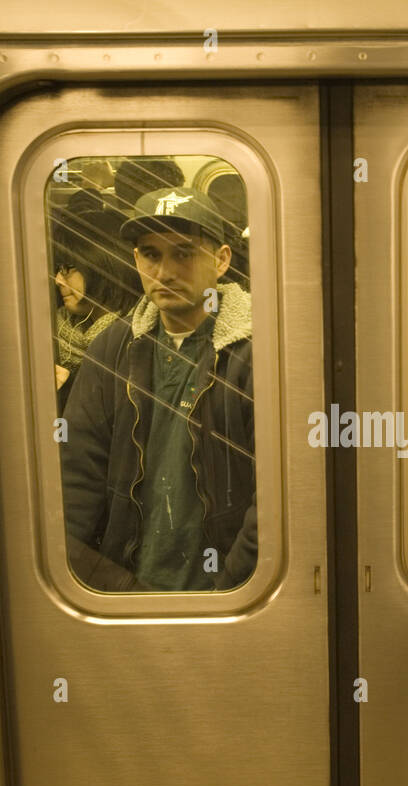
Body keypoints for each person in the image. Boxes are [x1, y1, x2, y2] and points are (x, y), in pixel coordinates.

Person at [60, 187, 256, 592]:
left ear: (221, 260)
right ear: (135, 259)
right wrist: (99, 588)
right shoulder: (114, 349)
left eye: (183, 253)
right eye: (151, 254)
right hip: (127, 588)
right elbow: (76, 477)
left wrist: (230, 597)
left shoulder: (254, 353)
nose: (164, 272)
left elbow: (276, 500)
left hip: (227, 595)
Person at [50, 224, 139, 413]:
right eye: (58, 268)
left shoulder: (134, 339)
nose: (58, 279)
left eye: (68, 268)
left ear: (101, 266)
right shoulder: (55, 330)